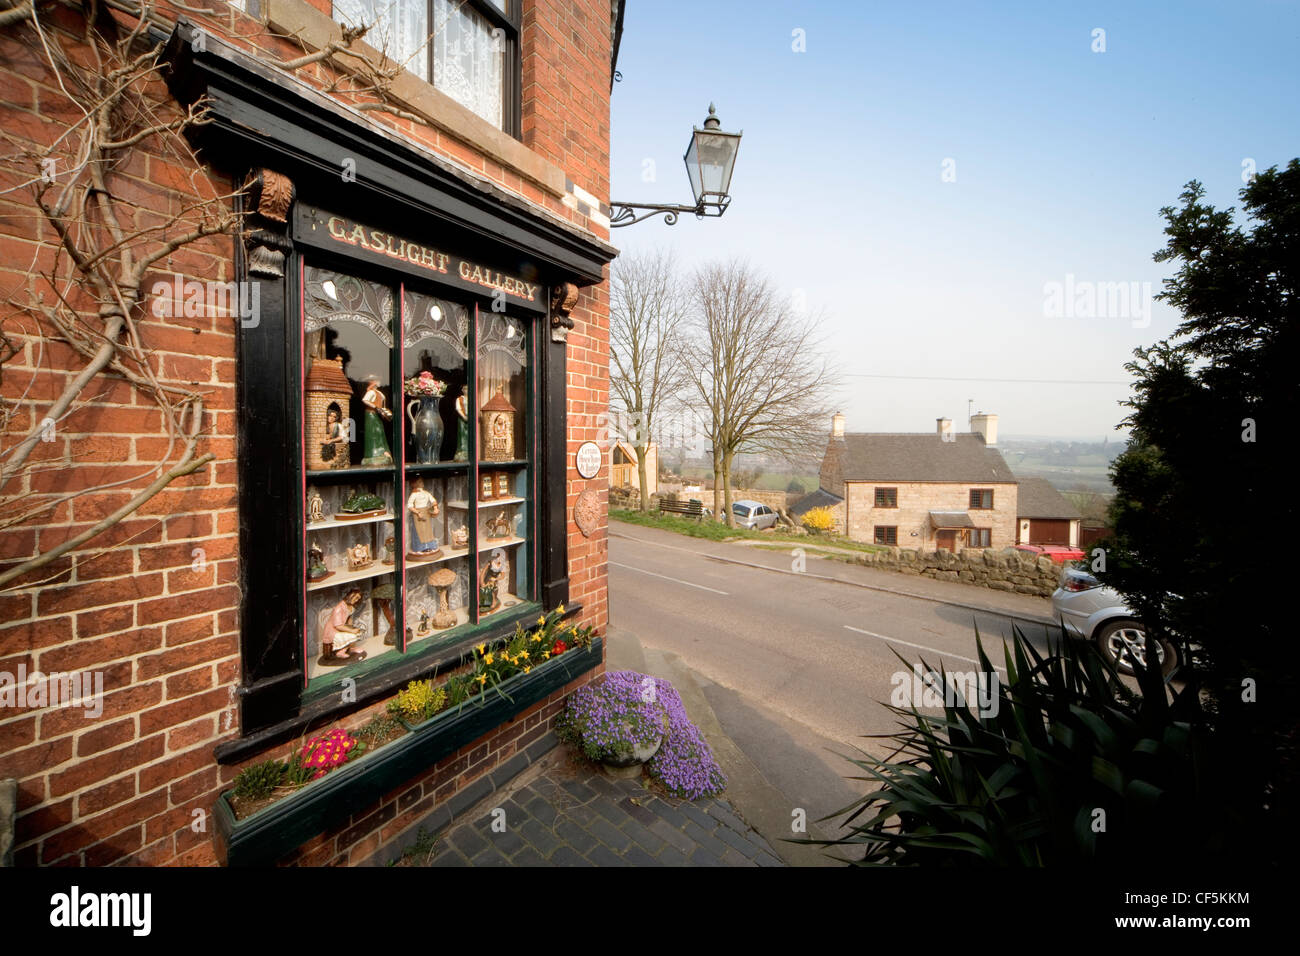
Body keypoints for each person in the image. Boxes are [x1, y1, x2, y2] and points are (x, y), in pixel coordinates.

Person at [319, 587, 366, 666]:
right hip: (332, 631)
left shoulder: (351, 606)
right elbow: (338, 626)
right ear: (350, 596)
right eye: (356, 597)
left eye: (358, 598)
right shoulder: (339, 608)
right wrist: (351, 631)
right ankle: (341, 652)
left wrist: (352, 627)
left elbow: (350, 618)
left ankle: (351, 648)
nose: (356, 600)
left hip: (342, 627)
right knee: (352, 635)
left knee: (358, 633)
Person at [360, 375, 393, 466]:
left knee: (379, 431)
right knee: (374, 432)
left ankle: (382, 450)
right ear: (372, 382)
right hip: (371, 414)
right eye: (376, 380)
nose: (379, 382)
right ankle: (375, 453)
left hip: (377, 414)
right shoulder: (371, 392)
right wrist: (375, 407)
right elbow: (365, 400)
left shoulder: (377, 392)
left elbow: (382, 402)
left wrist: (383, 411)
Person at [406, 478, 441, 554]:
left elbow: (433, 500)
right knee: (419, 531)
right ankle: (419, 547)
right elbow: (409, 505)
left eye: (421, 481)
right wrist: (417, 512)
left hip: (426, 512)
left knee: (427, 530)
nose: (422, 483)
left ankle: (430, 546)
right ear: (416, 483)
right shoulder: (414, 494)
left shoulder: (426, 493)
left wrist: (435, 508)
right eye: (420, 482)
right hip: (418, 514)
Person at [454, 385, 469, 461]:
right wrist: (464, 417)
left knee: (469, 436)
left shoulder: (471, 399)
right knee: (462, 436)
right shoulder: (459, 399)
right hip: (463, 419)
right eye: (465, 389)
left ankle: (469, 452)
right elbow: (458, 408)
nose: (466, 390)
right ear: (462, 390)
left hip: (470, 419)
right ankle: (461, 453)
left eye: (468, 389)